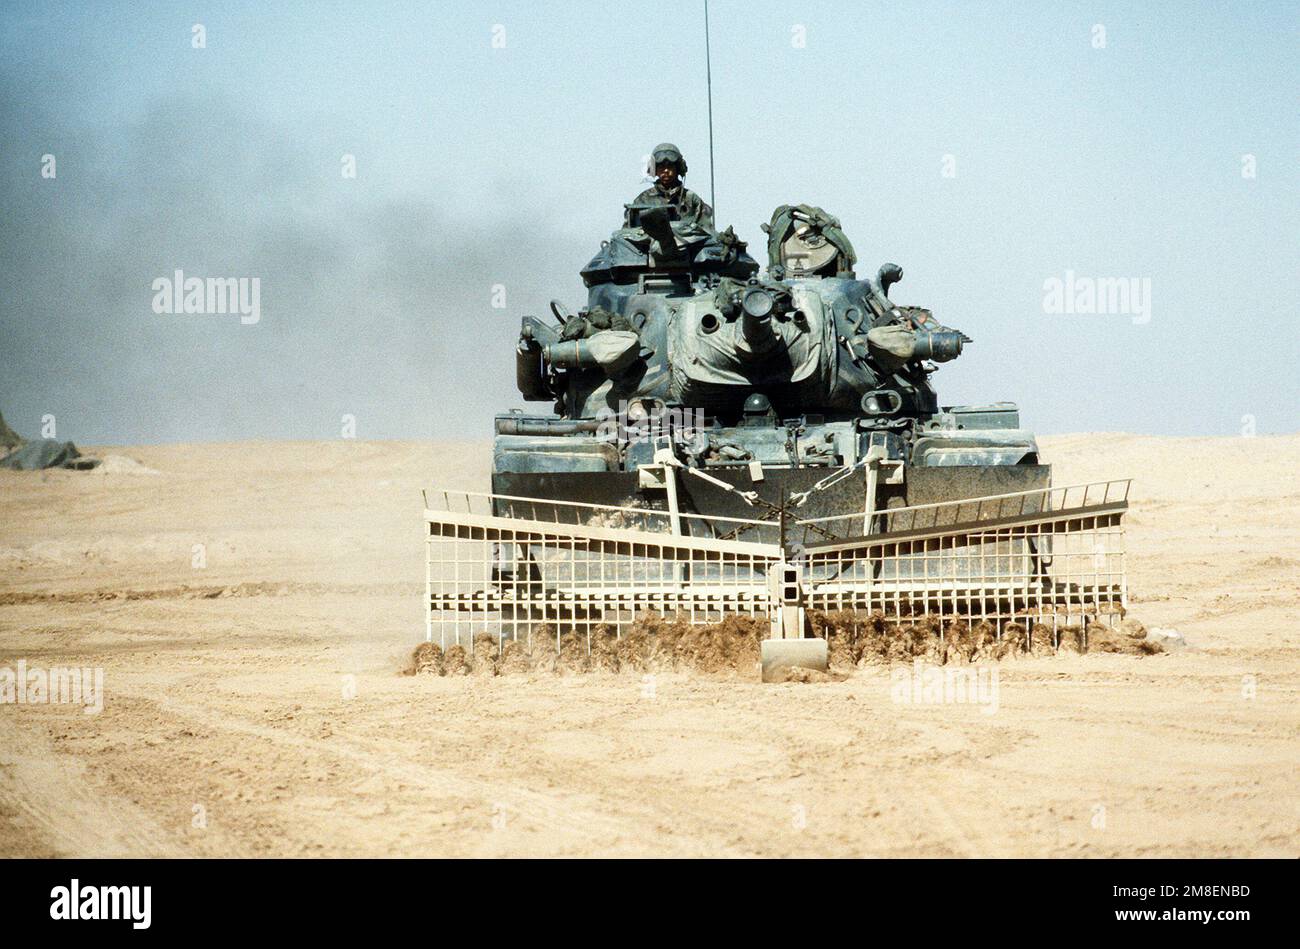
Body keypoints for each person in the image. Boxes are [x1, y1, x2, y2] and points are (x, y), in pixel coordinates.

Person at [625, 143, 714, 231]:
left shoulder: (691, 199)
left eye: (670, 166)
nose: (666, 170)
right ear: (654, 170)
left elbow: (707, 232)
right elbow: (628, 233)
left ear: (678, 168)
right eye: (661, 167)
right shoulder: (643, 200)